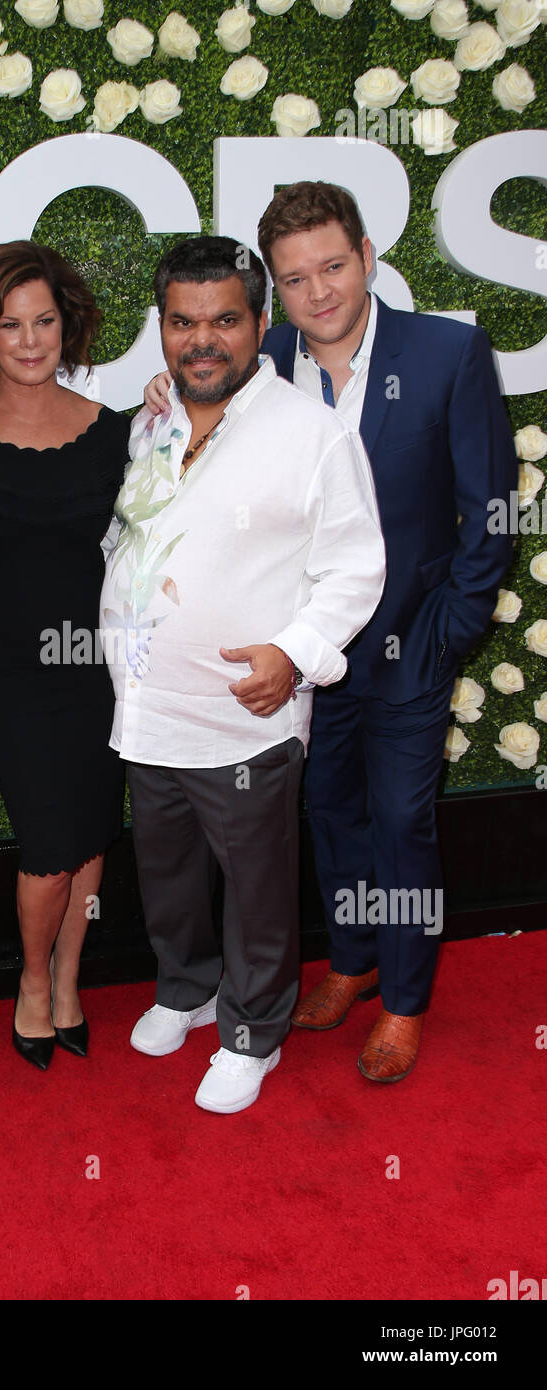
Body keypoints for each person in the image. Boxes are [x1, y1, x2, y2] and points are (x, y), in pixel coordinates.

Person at [103, 236, 386, 1114]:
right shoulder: (147, 422)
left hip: (245, 716)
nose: (202, 340)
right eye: (183, 322)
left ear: (261, 325)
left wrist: (294, 654)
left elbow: (354, 566)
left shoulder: (311, 433)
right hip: (147, 709)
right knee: (168, 874)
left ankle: (252, 1031)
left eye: (224, 320)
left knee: (257, 889)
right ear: (161, 328)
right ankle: (187, 991)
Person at [253, 182, 517, 1082]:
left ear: (366, 257)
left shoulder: (446, 352)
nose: (317, 292)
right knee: (328, 811)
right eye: (294, 279)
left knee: (402, 819)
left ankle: (403, 1002)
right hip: (302, 649)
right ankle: (353, 962)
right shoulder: (263, 360)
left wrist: (454, 624)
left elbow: (490, 505)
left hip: (412, 638)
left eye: (331, 266)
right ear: (276, 292)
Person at [0, 241, 130, 1070]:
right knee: (50, 842)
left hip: (97, 662)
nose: (30, 338)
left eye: (43, 319)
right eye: (9, 324)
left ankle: (71, 976)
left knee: (89, 836)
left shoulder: (117, 432)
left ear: (66, 324)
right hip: (4, 665)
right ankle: (31, 983)